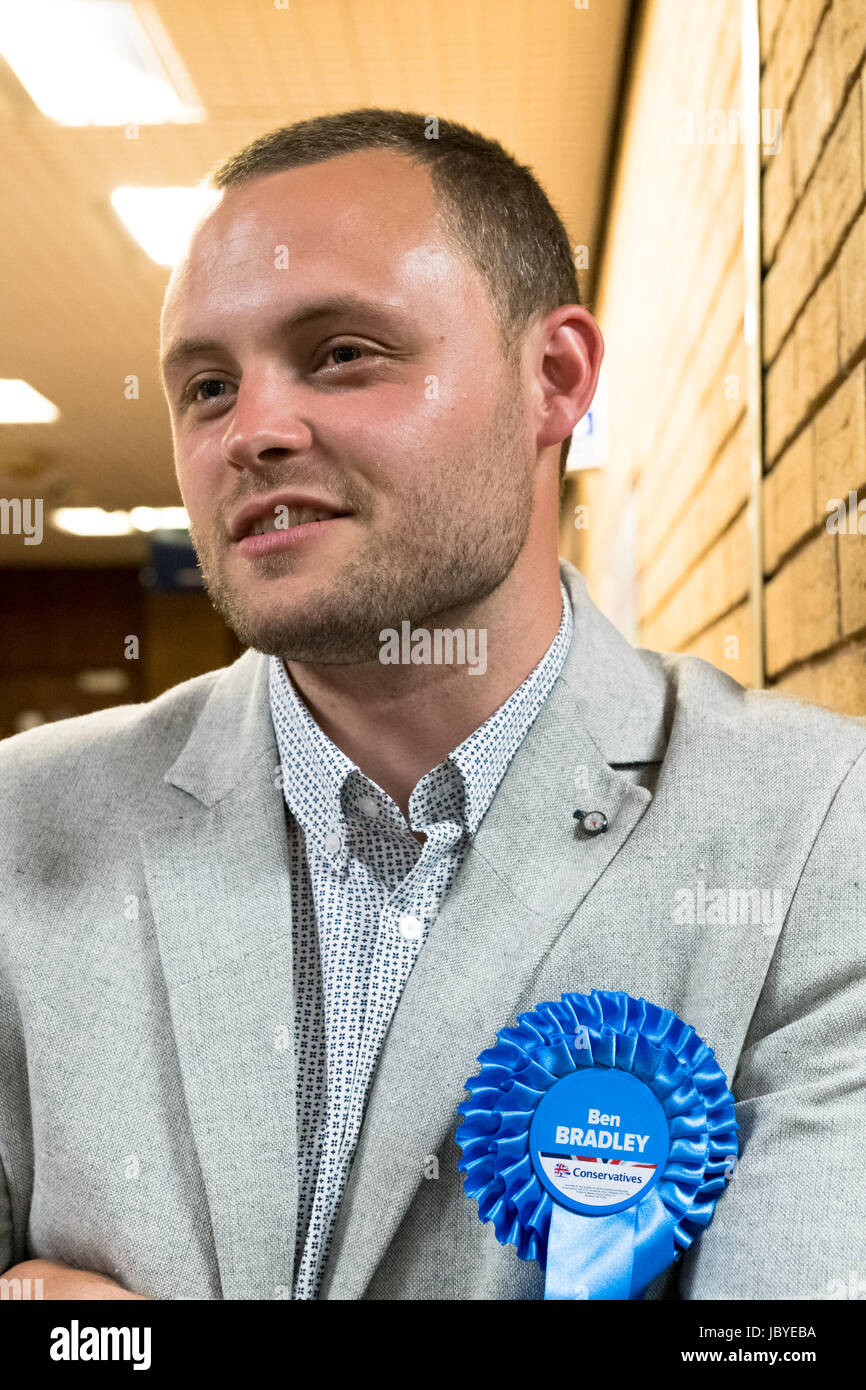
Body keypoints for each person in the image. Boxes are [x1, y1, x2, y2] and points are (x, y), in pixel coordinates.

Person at [0, 109, 863, 1302]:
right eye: (205, 384)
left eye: (343, 350)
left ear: (551, 378)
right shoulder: (22, 822)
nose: (250, 431)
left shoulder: (817, 826)